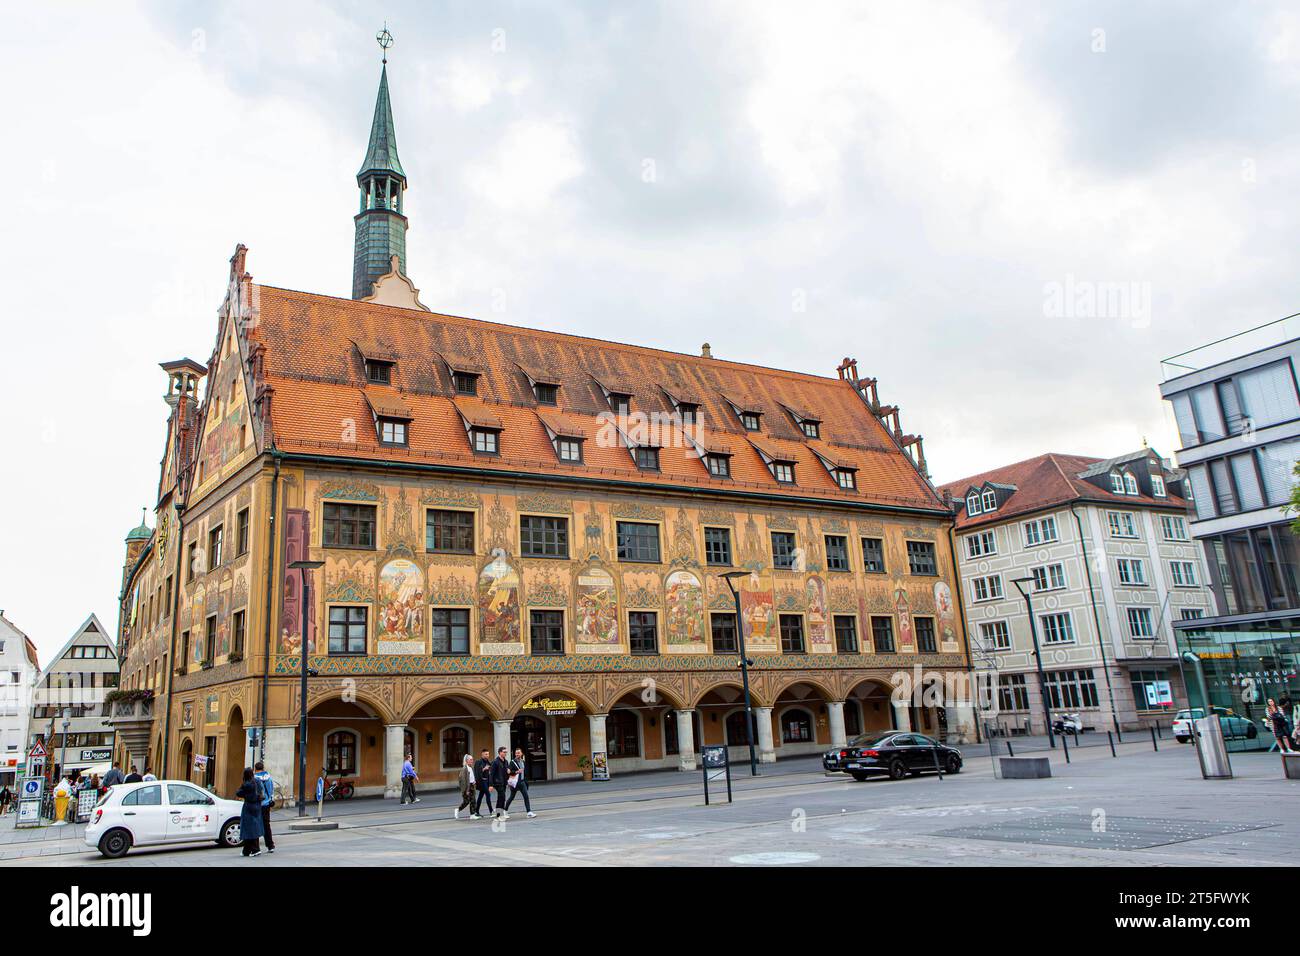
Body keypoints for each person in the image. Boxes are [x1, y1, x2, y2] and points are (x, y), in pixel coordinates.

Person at [235, 767, 265, 857]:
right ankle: (246, 850)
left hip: (248, 806)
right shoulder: (257, 781)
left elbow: (238, 793)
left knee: (248, 828)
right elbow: (261, 791)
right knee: (254, 827)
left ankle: (255, 849)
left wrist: (244, 790)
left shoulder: (247, 784)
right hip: (257, 805)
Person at [504, 747, 535, 817]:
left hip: (522, 782)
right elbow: (509, 772)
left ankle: (529, 812)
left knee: (526, 797)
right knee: (511, 797)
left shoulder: (523, 761)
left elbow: (525, 772)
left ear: (521, 753)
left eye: (518, 753)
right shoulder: (512, 762)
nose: (517, 754)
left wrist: (526, 782)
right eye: (516, 753)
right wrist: (516, 771)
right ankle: (505, 810)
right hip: (515, 783)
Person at [253, 761, 275, 853]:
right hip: (266, 804)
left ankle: (256, 848)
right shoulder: (268, 778)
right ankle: (270, 845)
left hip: (257, 804)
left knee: (256, 825)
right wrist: (268, 798)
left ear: (255, 768)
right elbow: (271, 791)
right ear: (263, 768)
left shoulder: (254, 778)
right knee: (266, 825)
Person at [490, 746, 511, 820]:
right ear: (500, 752)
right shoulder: (495, 762)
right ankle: (499, 815)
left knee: (501, 798)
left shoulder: (506, 761)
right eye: (504, 752)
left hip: (504, 782)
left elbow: (507, 771)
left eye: (506, 752)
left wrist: (508, 772)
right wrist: (491, 785)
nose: (505, 753)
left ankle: (499, 813)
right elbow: (491, 774)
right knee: (502, 797)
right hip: (497, 783)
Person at [472, 748, 495, 817]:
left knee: (480, 797)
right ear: (482, 754)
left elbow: (490, 773)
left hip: (487, 781)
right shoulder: (478, 762)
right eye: (486, 754)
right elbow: (476, 773)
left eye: (488, 754)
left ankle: (476, 811)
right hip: (481, 781)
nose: (487, 755)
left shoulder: (488, 762)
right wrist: (484, 769)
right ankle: (491, 812)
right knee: (488, 795)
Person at [455, 753, 477, 820]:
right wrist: (466, 790)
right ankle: (458, 809)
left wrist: (474, 781)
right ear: (466, 761)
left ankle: (472, 814)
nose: (472, 761)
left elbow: (471, 777)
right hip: (467, 787)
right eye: (470, 759)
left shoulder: (471, 768)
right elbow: (462, 781)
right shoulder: (464, 769)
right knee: (466, 802)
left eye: (472, 759)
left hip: (472, 786)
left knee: (473, 800)